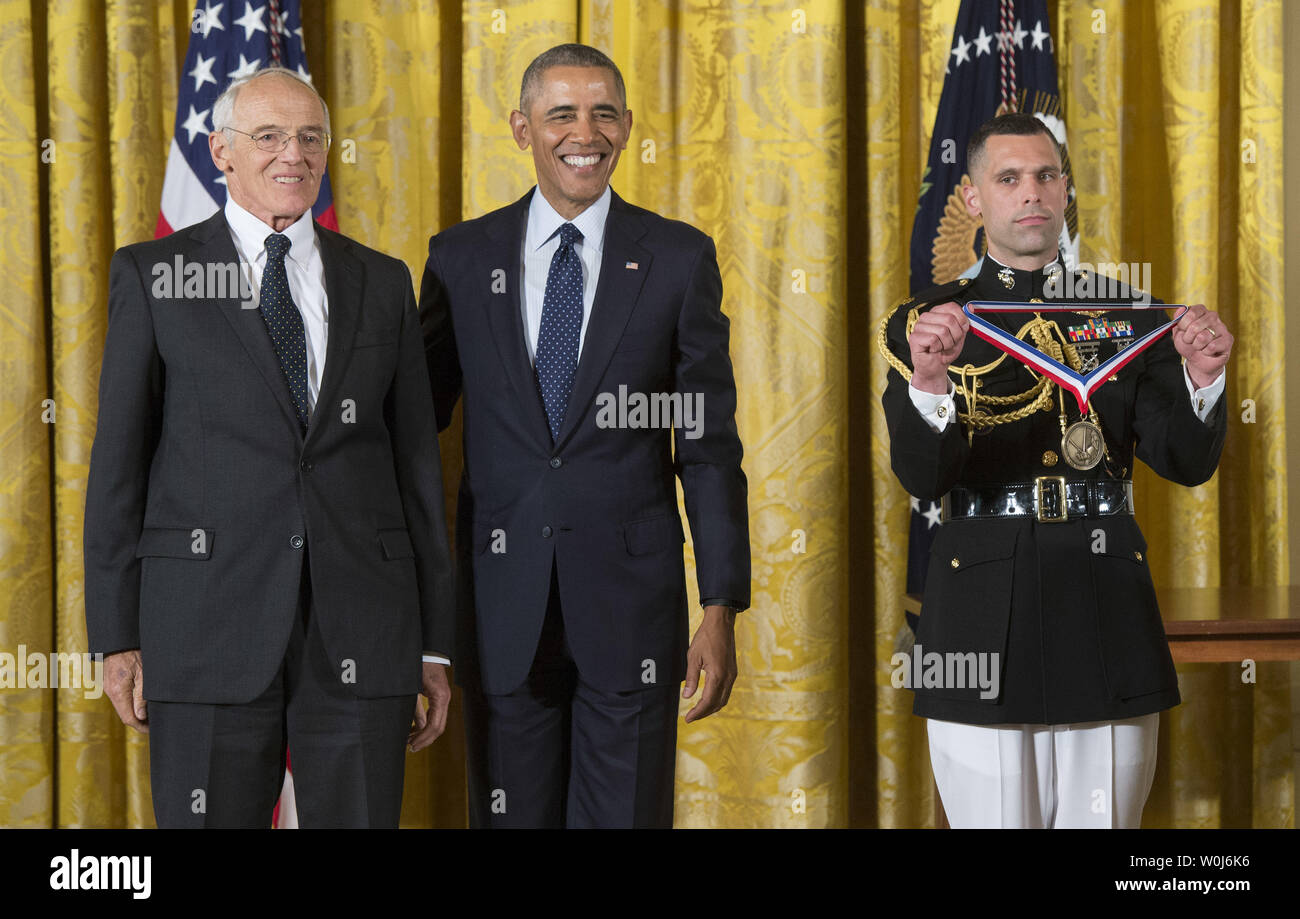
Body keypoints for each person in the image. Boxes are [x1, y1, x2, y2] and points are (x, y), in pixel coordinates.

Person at [83, 67, 455, 828]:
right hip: (203, 626)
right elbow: (118, 466)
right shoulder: (154, 275)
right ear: (221, 150)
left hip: (363, 626)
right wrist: (115, 636)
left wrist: (435, 645)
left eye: (311, 137)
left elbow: (417, 470)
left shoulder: (383, 282)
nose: (295, 154)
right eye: (270, 136)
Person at [419, 43, 750, 828]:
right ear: (521, 128)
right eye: (561, 112)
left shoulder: (677, 258)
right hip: (502, 606)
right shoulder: (461, 260)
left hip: (632, 610)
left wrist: (720, 604)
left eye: (604, 112)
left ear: (628, 127)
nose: (585, 131)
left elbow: (706, 446)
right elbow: (412, 434)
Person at [879, 112, 1232, 828]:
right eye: (1008, 178)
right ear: (975, 198)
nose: (1030, 192)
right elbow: (924, 478)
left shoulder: (1129, 317)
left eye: (1045, 175)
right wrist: (929, 380)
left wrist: (1203, 376)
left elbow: (1187, 463)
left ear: (1066, 189)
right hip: (979, 616)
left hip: (1104, 606)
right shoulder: (930, 324)